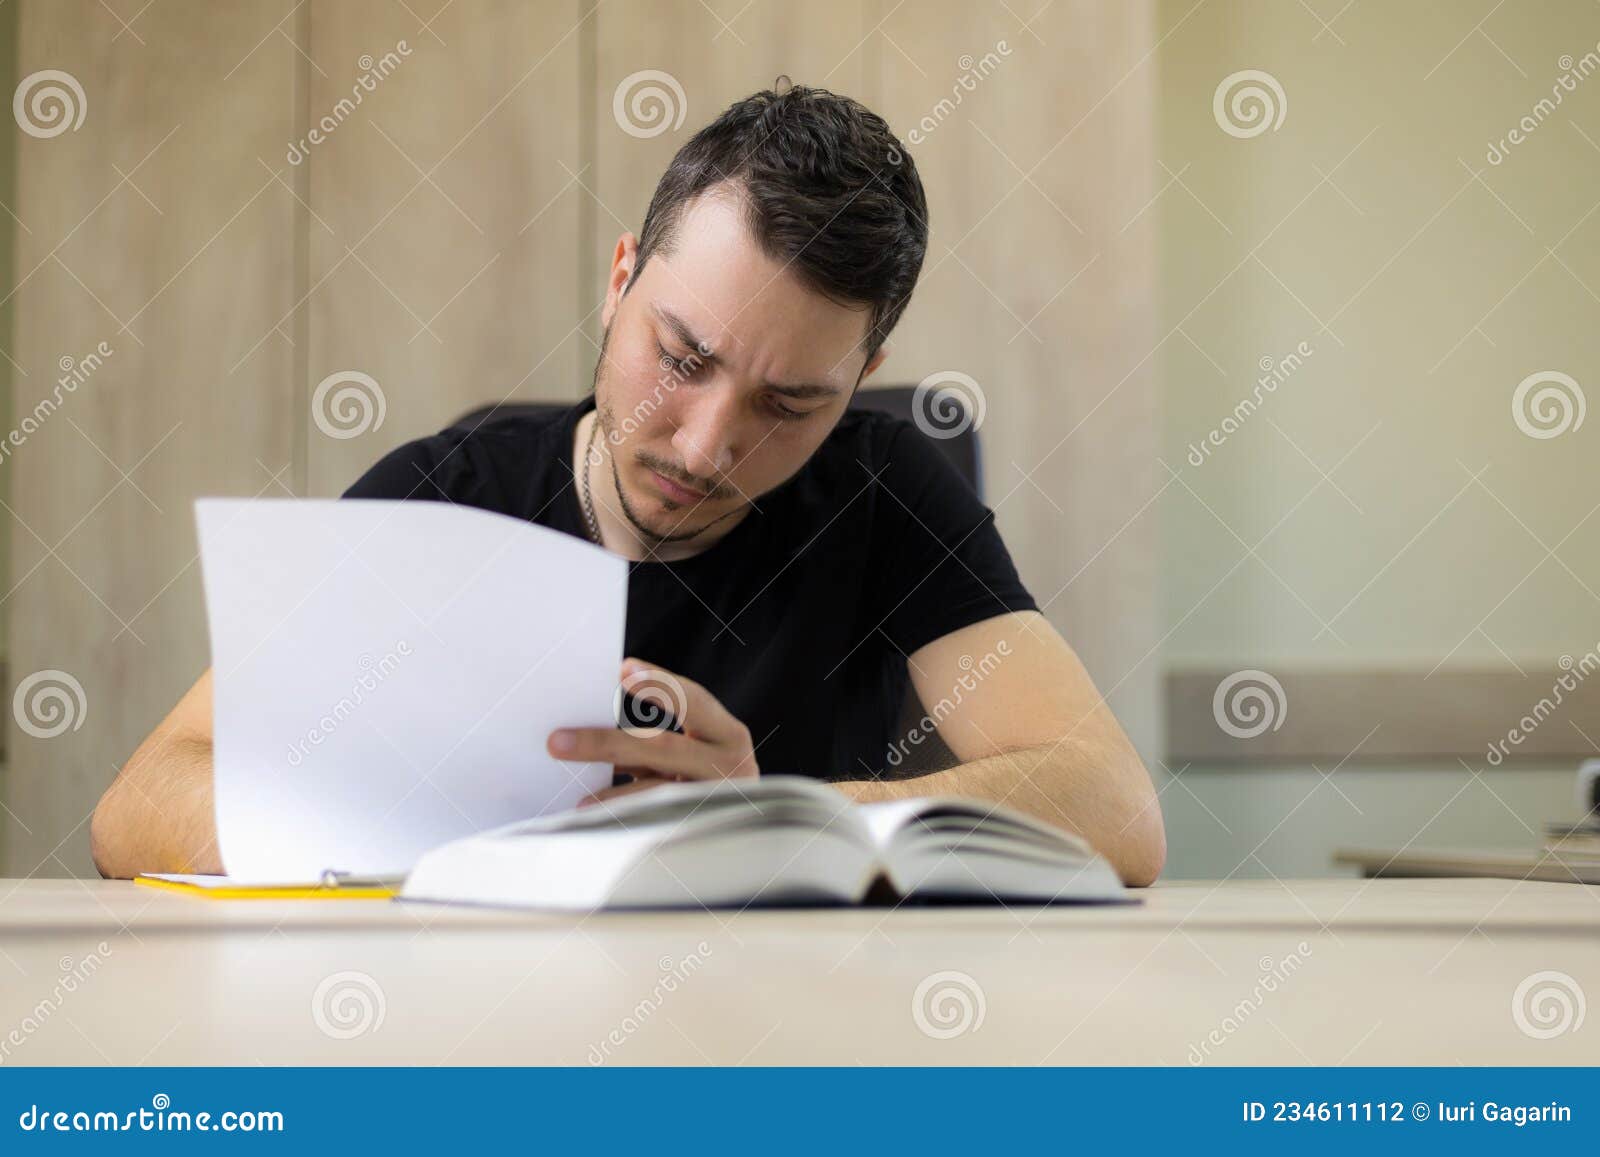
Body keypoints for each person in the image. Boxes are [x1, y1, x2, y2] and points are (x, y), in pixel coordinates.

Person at [91, 84, 1165, 886]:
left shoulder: (882, 490)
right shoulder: (438, 497)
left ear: (859, 380)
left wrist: (772, 816)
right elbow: (139, 804)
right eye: (683, 358)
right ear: (620, 282)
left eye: (789, 404)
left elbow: (1115, 807)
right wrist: (461, 833)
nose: (705, 448)